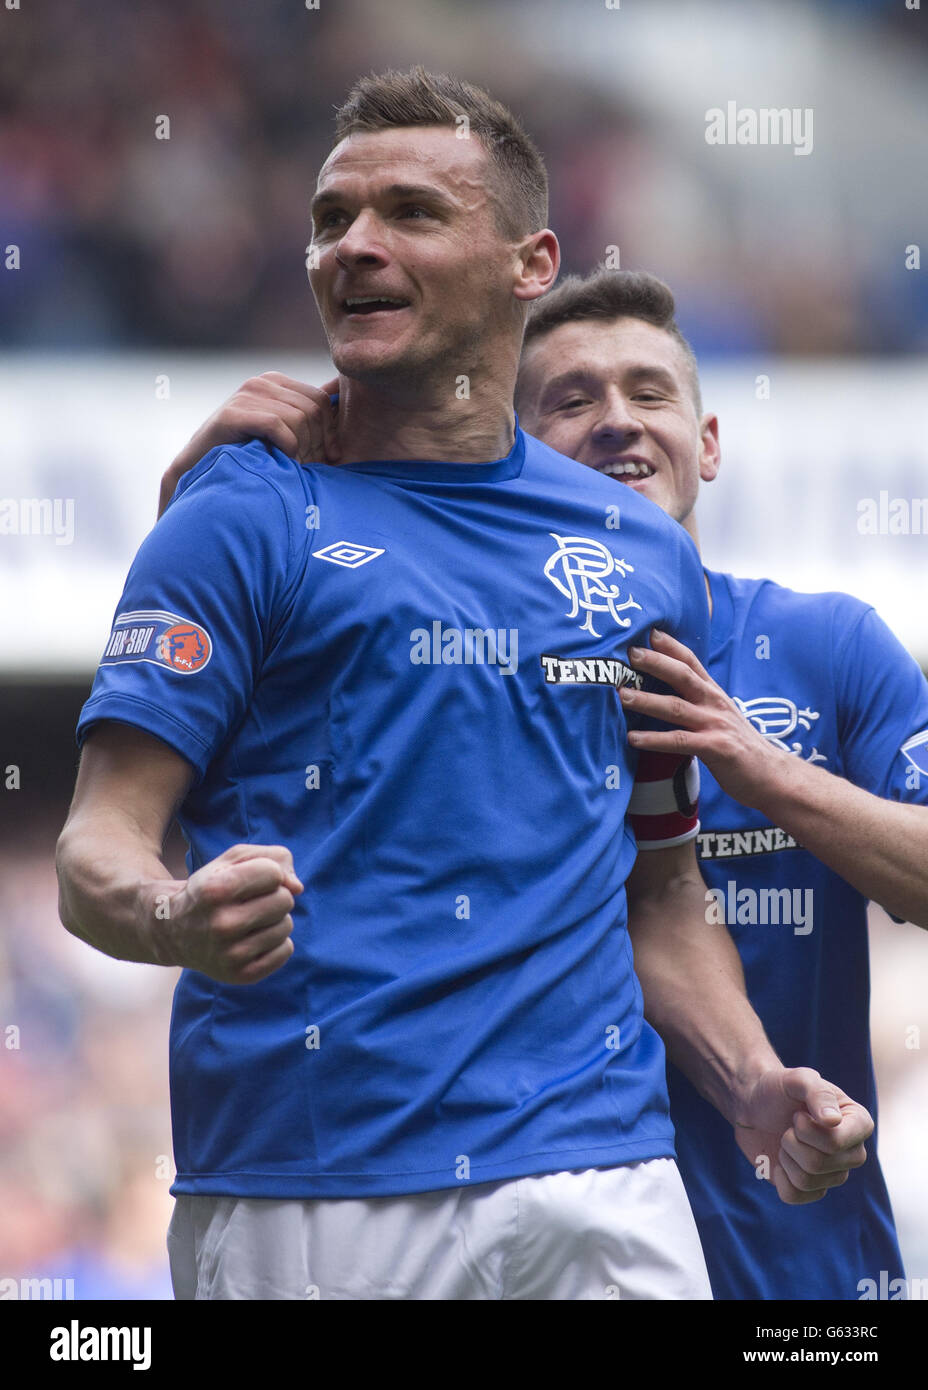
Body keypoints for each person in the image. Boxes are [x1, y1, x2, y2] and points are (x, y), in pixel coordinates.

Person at [58, 70, 871, 1302]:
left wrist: (751, 1076)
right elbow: (94, 849)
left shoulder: (643, 553)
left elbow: (655, 882)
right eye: (333, 220)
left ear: (529, 261)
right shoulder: (237, 513)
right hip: (313, 1185)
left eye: (411, 214)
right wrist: (174, 915)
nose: (355, 248)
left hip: (600, 1173)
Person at [512, 267, 928, 1299]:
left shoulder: (828, 645)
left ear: (704, 444)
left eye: (648, 393)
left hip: (803, 1239)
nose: (615, 423)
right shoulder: (479, 673)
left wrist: (764, 770)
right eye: (571, 401)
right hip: (551, 1241)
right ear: (508, 459)